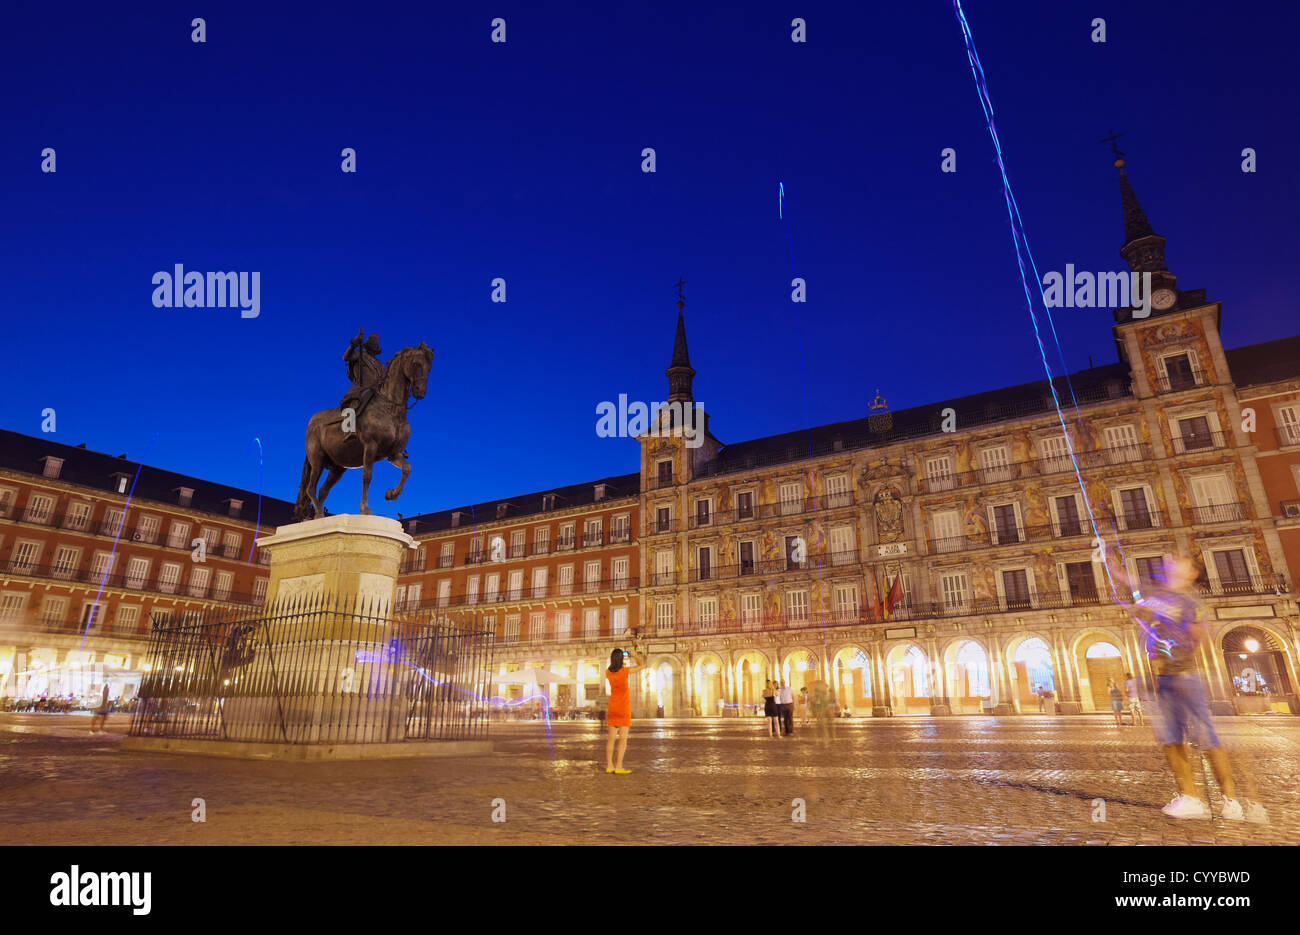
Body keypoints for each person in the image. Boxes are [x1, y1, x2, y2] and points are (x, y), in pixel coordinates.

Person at [1109, 553, 1265, 821]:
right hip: (1165, 678)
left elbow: (1198, 635)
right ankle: (1191, 798)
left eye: (1179, 560)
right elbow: (1128, 583)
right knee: (1171, 740)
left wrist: (1176, 652)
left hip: (1186, 676)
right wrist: (1113, 566)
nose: (1170, 560)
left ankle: (1231, 801)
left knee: (1207, 739)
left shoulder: (1190, 601)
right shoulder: (1155, 593)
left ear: (1191, 572)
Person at [605, 647, 640, 774]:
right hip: (623, 707)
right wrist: (634, 655)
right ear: (621, 659)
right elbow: (642, 665)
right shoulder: (625, 671)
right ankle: (619, 766)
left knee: (611, 739)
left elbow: (612, 667)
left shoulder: (607, 672)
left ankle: (610, 765)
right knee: (623, 739)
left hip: (612, 707)